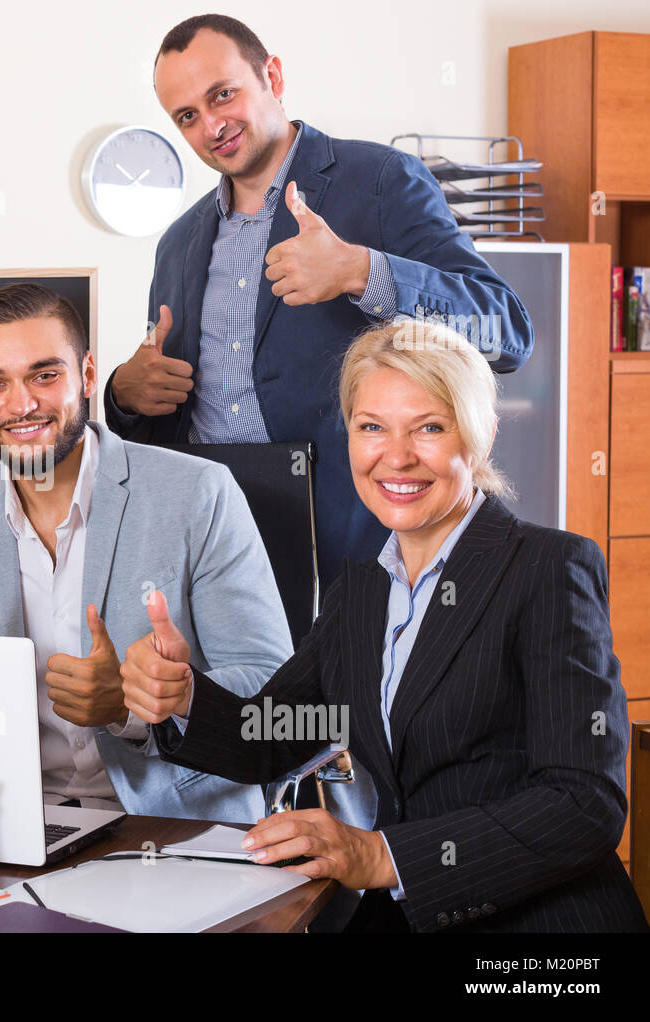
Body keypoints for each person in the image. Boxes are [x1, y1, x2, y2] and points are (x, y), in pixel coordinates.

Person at [122, 320, 649, 932]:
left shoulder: (548, 568)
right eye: (372, 427)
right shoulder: (363, 592)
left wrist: (383, 856)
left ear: (480, 436)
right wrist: (184, 695)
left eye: (429, 427)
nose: (396, 457)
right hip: (408, 917)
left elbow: (585, 803)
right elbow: (272, 735)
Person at [104, 14, 534, 592]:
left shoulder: (381, 180)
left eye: (223, 94)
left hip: (355, 556)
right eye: (187, 116)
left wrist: (362, 271)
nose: (211, 125)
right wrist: (125, 397)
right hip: (212, 560)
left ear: (273, 76)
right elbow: (167, 429)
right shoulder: (178, 243)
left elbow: (502, 330)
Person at [0, 282, 295, 821]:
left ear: (89, 376)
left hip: (175, 827)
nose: (22, 404)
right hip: (15, 825)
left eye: (45, 375)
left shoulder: (199, 492)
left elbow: (269, 688)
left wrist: (137, 706)